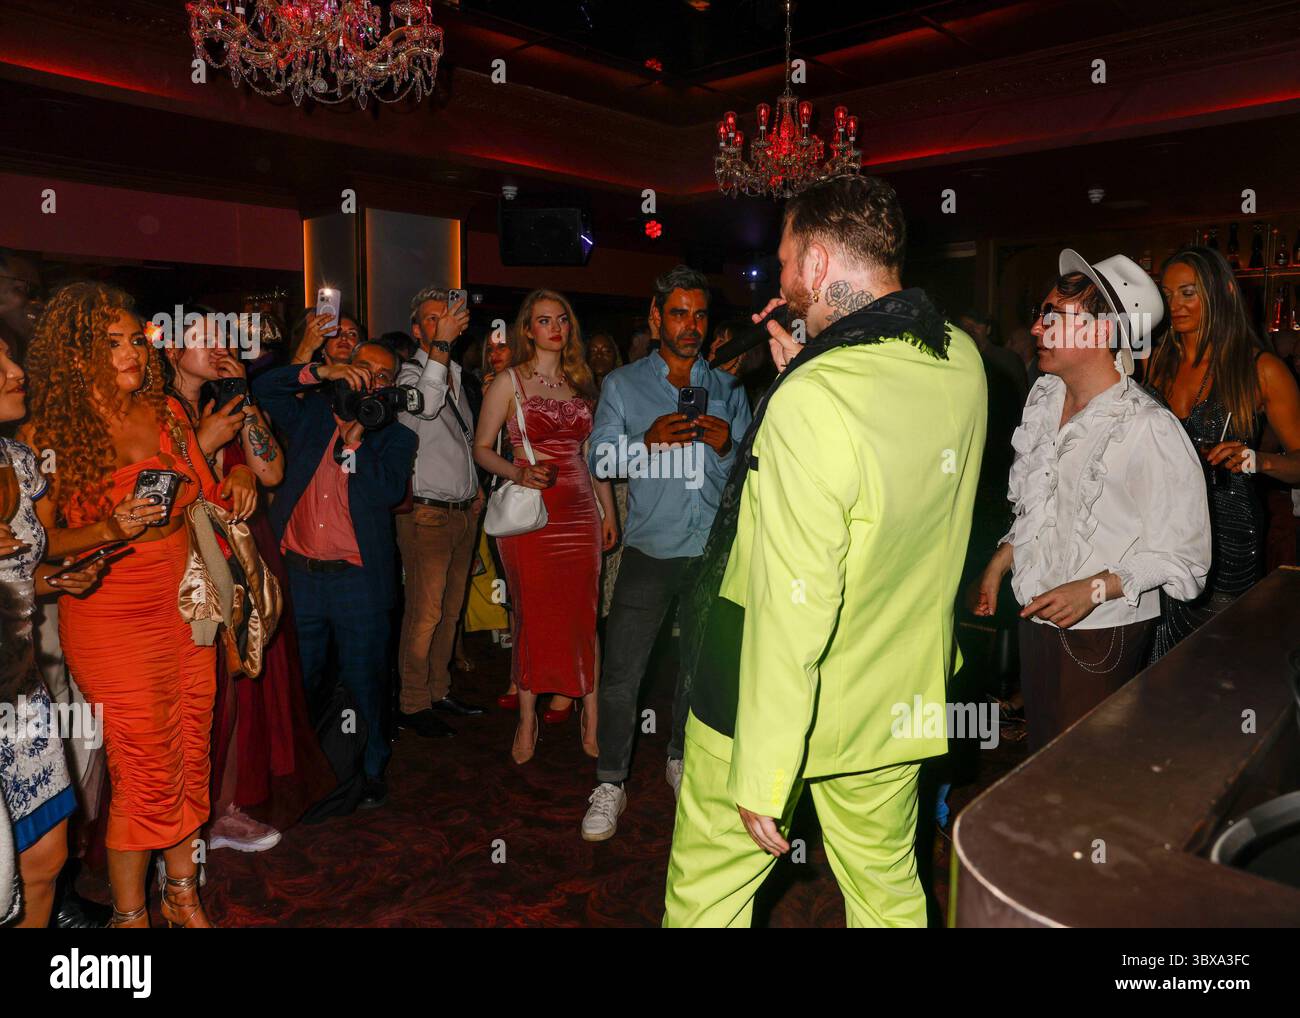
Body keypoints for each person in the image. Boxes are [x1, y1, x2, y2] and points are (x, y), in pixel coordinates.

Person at [663, 174, 987, 927]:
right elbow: (883, 448)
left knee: (705, 901)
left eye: (783, 263)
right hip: (896, 694)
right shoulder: (962, 360)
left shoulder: (818, 399)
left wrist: (767, 767)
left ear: (813, 265)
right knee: (889, 895)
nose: (780, 281)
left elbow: (793, 603)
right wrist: (808, 368)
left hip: (768, 703)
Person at [25, 283, 255, 928]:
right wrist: (108, 528)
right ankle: (131, 917)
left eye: (136, 339)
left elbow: (203, 490)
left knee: (189, 747)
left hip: (185, 600)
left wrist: (233, 475)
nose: (132, 352)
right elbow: (37, 546)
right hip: (111, 612)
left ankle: (182, 892)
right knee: (145, 765)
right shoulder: (48, 435)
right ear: (75, 354)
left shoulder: (168, 413)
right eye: (113, 342)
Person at [971, 251, 1212, 752]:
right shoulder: (1045, 399)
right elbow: (1044, 501)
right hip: (1035, 613)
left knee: (1083, 771)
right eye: (1042, 313)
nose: (1037, 328)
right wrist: (1003, 558)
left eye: (1053, 316)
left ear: (1102, 332)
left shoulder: (1147, 427)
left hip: (1101, 630)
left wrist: (1096, 590)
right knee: (1041, 757)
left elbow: (1187, 557)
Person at [581, 266, 752, 843]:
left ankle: (681, 756)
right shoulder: (624, 386)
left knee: (699, 669)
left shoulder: (729, 389)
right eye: (678, 313)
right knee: (624, 674)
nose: (691, 326)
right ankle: (610, 781)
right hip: (650, 552)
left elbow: (751, 479)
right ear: (656, 319)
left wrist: (728, 447)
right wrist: (646, 441)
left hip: (709, 554)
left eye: (700, 315)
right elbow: (600, 462)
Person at [163, 314, 333, 852]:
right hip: (182, 558)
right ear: (169, 349)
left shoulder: (232, 404)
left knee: (243, 680)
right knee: (194, 688)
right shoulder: (151, 411)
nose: (217, 348)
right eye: (201, 339)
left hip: (243, 555)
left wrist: (243, 400)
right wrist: (214, 462)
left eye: (222, 339)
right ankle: (187, 813)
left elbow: (272, 472)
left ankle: (226, 804)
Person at [253, 340, 417, 810]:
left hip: (357, 581)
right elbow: (263, 387)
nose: (370, 378)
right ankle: (304, 770)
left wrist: (354, 444)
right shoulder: (309, 415)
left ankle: (369, 771)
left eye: (382, 375)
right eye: (363, 367)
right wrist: (320, 372)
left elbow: (386, 492)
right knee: (299, 680)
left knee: (366, 679)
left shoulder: (396, 436)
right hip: (299, 575)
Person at [473, 290, 617, 764]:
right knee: (531, 616)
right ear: (527, 329)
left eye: (561, 319)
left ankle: (590, 717)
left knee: (585, 614)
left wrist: (608, 513)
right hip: (530, 517)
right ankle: (528, 719)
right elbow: (482, 449)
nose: (554, 327)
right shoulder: (508, 383)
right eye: (543, 320)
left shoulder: (583, 386)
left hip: (579, 513)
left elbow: (594, 458)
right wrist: (516, 472)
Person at [1142, 246, 1300, 659]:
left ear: (1223, 292)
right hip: (1162, 537)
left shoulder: (1261, 368)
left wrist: (1258, 459)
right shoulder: (1159, 362)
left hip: (1228, 543)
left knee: (1215, 671)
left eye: (1188, 293)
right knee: (1159, 673)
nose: (1174, 305)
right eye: (1168, 294)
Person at [0, 335, 106, 927]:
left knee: (45, 857)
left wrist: (55, 582)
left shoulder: (16, 461)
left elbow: (18, 570)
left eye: (12, 358)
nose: (18, 373)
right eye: (0, 366)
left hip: (21, 689)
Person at [393, 286, 487, 741]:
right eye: (431, 320)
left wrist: (475, 490)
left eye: (445, 319)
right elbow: (425, 410)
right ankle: (411, 702)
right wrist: (443, 348)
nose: (441, 325)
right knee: (425, 613)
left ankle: (438, 689)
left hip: (461, 512)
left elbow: (461, 441)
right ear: (416, 330)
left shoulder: (452, 374)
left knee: (451, 612)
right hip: (425, 515)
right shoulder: (406, 378)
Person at [586, 332, 629, 624]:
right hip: (587, 485)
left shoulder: (627, 389)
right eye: (594, 350)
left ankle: (613, 619)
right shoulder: (577, 390)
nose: (600, 355)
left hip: (622, 486)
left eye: (606, 349)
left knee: (619, 553)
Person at [290, 308, 362, 367]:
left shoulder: (367, 381)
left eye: (352, 334)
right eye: (336, 331)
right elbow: (292, 381)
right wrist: (307, 347)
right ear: (322, 345)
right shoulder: (312, 381)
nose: (344, 337)